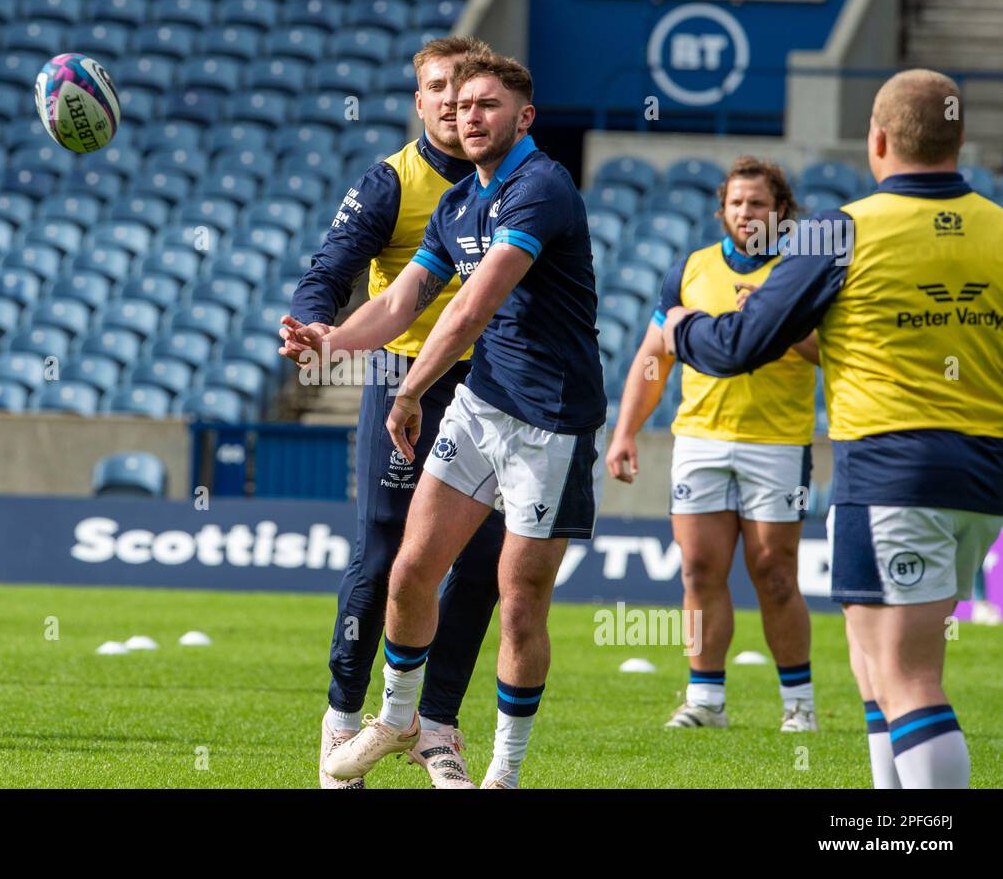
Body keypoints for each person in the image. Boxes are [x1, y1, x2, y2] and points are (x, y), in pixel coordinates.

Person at [664, 69, 1003, 788]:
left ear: (877, 141)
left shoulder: (839, 231)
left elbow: (739, 345)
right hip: (981, 472)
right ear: (958, 139)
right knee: (874, 664)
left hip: (890, 467)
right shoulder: (999, 228)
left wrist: (682, 325)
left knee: (909, 676)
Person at [288, 53, 605, 789]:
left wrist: (408, 391)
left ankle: (504, 770)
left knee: (520, 602)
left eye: (488, 106)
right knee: (409, 570)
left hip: (550, 422)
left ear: (523, 117)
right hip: (482, 402)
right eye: (460, 107)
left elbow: (470, 308)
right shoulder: (458, 201)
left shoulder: (542, 188)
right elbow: (402, 301)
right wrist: (330, 341)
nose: (470, 117)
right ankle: (397, 718)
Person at [282, 36, 504, 789]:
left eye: (463, 89)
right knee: (383, 553)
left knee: (481, 564)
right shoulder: (390, 183)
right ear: (419, 100)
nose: (450, 100)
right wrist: (315, 324)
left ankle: (435, 727)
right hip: (402, 371)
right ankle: (343, 722)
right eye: (437, 87)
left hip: (496, 382)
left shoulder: (515, 182)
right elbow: (330, 270)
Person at [606, 157, 821, 732]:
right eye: (737, 203)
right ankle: (706, 701)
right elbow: (654, 357)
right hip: (699, 441)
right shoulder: (691, 269)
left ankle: (798, 704)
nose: (747, 213)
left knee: (775, 573)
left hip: (777, 443)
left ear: (781, 210)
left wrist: (780, 321)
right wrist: (625, 431)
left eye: (758, 203)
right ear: (723, 209)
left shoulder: (802, 270)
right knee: (699, 570)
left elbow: (832, 351)